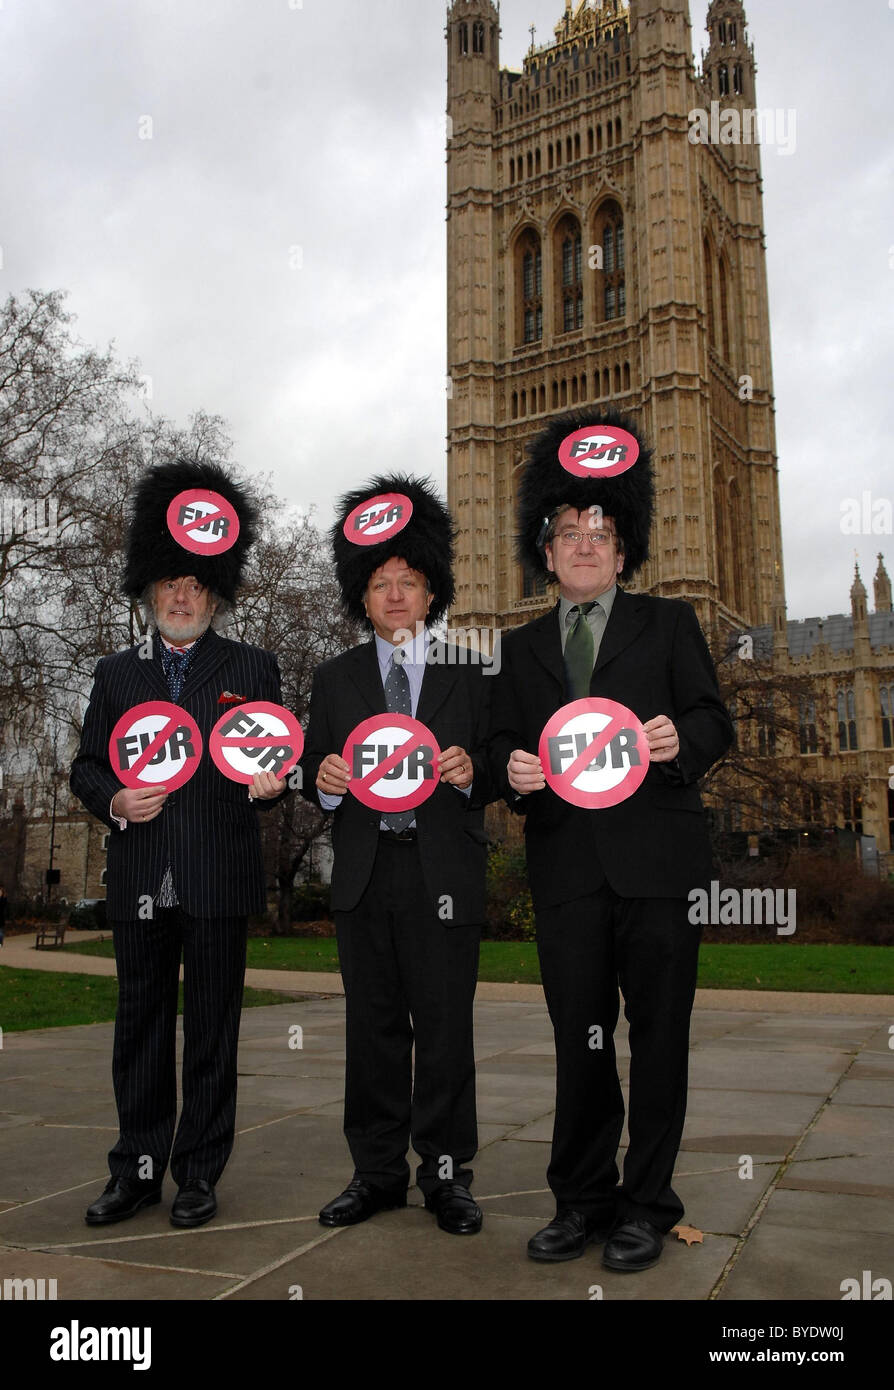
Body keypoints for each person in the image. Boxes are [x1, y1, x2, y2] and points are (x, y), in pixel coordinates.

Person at [488, 409, 733, 1272]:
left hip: (657, 865)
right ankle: (581, 1199)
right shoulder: (517, 652)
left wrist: (681, 745)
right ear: (545, 553)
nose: (585, 543)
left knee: (659, 1038)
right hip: (566, 870)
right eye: (568, 531)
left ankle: (647, 1206)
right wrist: (509, 769)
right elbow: (490, 754)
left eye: (601, 530)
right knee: (578, 1040)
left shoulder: (667, 626)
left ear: (623, 551)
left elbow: (714, 720)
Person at [70, 459, 285, 1230]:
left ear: (215, 591)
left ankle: (198, 1172)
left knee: (213, 1031)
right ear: (149, 592)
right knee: (140, 1029)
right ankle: (134, 1169)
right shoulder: (114, 673)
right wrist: (115, 801)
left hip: (218, 874)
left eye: (196, 583)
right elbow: (86, 767)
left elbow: (273, 762)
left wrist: (275, 784)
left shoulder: (253, 668)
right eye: (169, 584)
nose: (182, 595)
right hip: (138, 875)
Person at [301, 474, 494, 1236]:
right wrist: (323, 780)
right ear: (362, 595)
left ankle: (447, 1178)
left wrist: (473, 770)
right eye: (380, 584)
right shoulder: (335, 678)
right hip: (365, 874)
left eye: (407, 582)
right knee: (372, 1033)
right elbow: (312, 766)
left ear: (430, 589)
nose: (394, 596)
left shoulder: (471, 671)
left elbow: (499, 760)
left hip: (442, 871)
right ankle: (375, 1175)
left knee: (446, 1032)